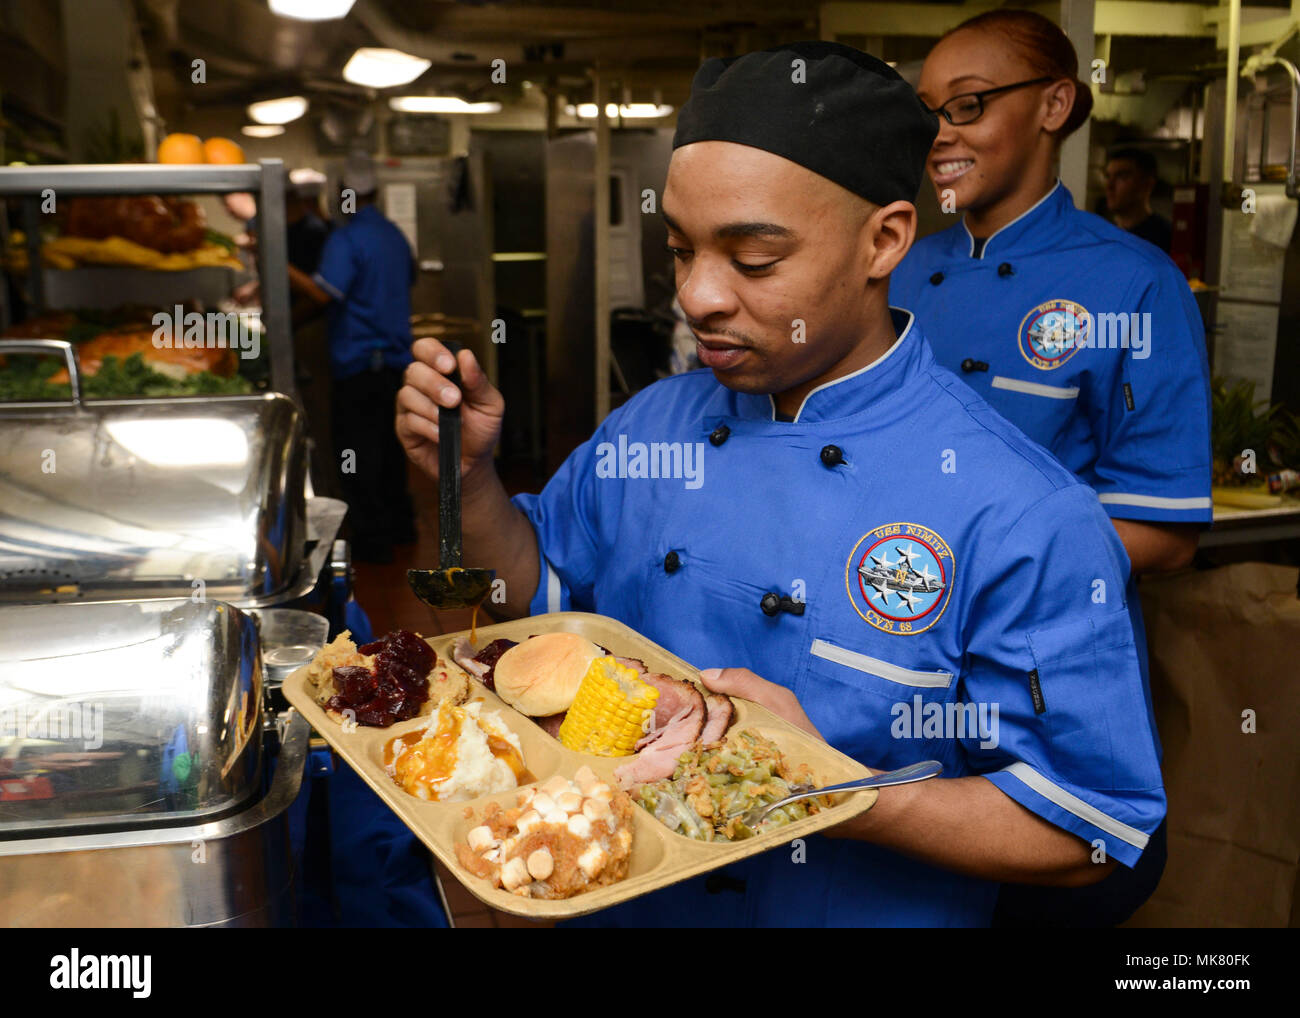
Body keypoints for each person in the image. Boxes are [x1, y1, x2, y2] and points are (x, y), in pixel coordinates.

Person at [397, 41, 1165, 928]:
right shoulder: (653, 427)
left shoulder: (1021, 509)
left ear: (885, 241)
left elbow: (1093, 830)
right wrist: (465, 484)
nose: (698, 296)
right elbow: (530, 601)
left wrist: (831, 789)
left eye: (753, 260)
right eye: (681, 250)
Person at [891, 9, 1211, 925]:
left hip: (1038, 671)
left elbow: (1166, 530)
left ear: (1055, 105)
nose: (940, 135)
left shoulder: (1132, 283)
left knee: (1046, 883)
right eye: (929, 113)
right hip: (895, 660)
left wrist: (959, 579)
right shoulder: (900, 269)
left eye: (969, 105)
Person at [295, 153, 418, 562]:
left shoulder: (345, 240)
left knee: (358, 455)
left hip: (360, 368)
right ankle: (402, 528)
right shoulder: (395, 236)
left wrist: (275, 264)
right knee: (390, 449)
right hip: (396, 367)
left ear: (343, 195)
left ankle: (373, 543)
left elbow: (322, 293)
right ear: (377, 192)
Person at [1104, 147, 1173, 252]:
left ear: (1147, 184)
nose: (1109, 186)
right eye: (1108, 176)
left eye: (1121, 177)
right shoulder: (1104, 235)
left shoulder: (1164, 238)